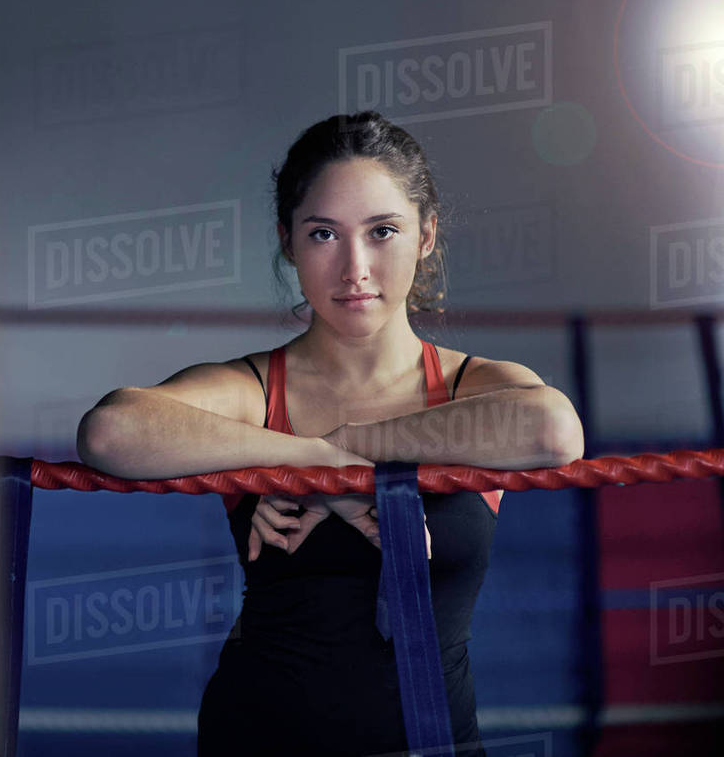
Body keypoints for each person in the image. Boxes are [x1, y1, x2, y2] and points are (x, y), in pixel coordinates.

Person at [76, 111, 584, 756]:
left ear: (426, 235)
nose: (355, 268)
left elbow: (554, 428)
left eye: (383, 231)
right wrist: (311, 457)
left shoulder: (468, 385)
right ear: (288, 240)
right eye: (324, 234)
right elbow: (111, 430)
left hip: (431, 741)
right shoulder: (257, 390)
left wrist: (343, 454)